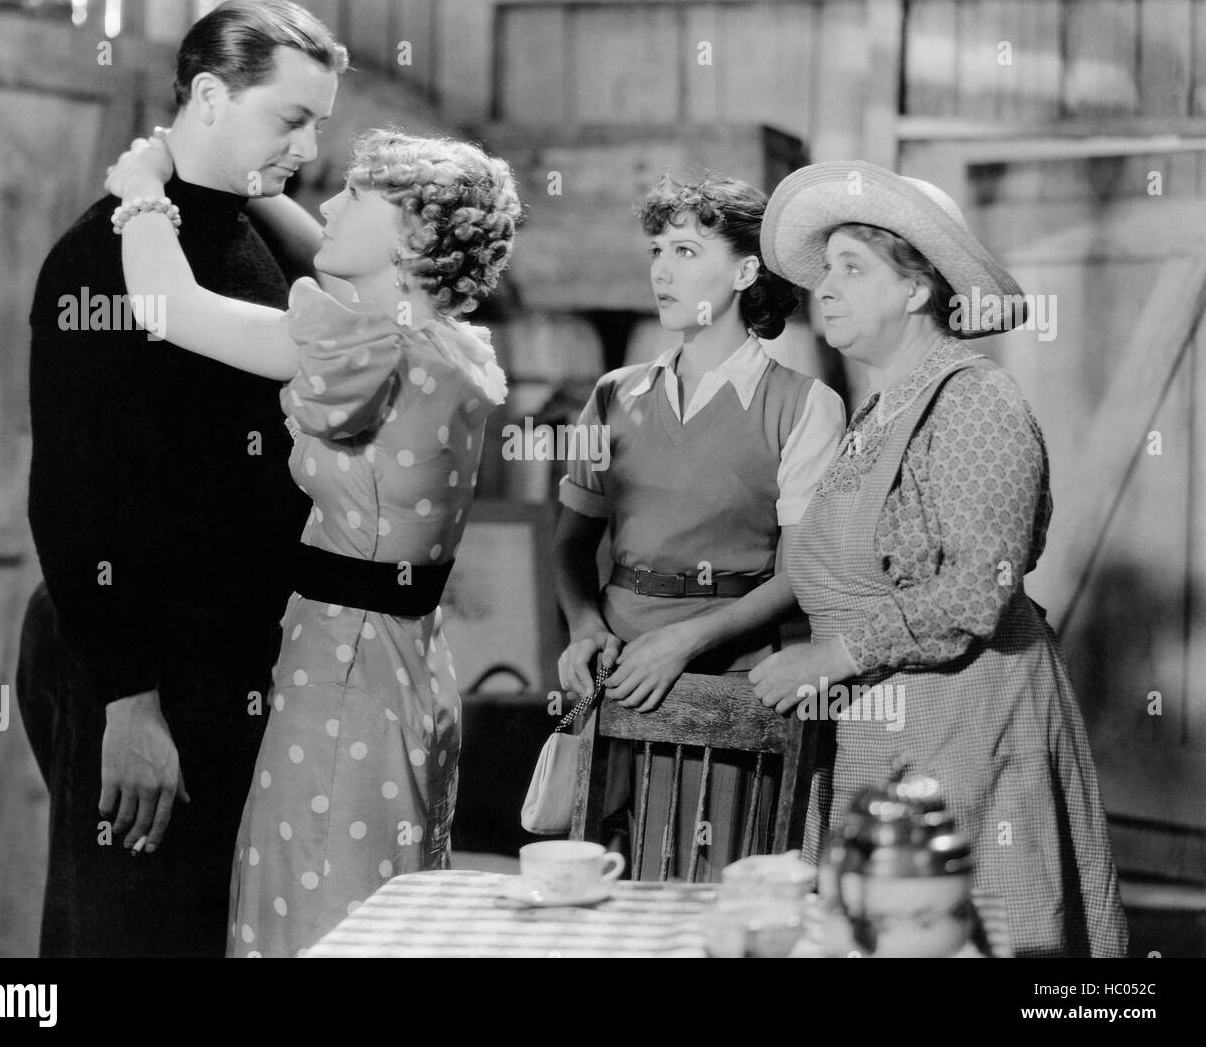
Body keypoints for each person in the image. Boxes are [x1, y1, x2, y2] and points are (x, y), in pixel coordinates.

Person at [103, 128, 518, 957]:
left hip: (343, 677)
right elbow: (338, 250)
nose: (328, 203)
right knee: (375, 905)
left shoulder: (366, 352)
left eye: (356, 194)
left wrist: (141, 190)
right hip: (407, 669)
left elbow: (167, 309)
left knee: (315, 911)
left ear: (411, 239)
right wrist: (253, 182)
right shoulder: (448, 343)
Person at [16, 0, 345, 957]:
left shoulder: (260, 237)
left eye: (319, 119)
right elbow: (72, 497)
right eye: (292, 116)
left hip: (231, 658)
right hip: (130, 656)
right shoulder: (98, 259)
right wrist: (128, 699)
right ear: (210, 94)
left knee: (203, 930)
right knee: (121, 928)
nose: (312, 144)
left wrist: (181, 167)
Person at [753, 159, 1127, 956]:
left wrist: (834, 656)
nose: (826, 288)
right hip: (881, 728)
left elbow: (973, 593)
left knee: (973, 934)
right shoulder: (881, 412)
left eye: (852, 268)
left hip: (969, 726)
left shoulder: (973, 400)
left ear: (919, 288)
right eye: (823, 272)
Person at [553, 173, 845, 879]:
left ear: (745, 271)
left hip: (732, 685)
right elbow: (570, 543)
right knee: (603, 882)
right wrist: (585, 628)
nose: (660, 270)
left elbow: (801, 576)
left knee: (709, 881)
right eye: (656, 249)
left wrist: (685, 642)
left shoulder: (805, 406)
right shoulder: (612, 394)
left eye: (685, 250)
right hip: (614, 679)